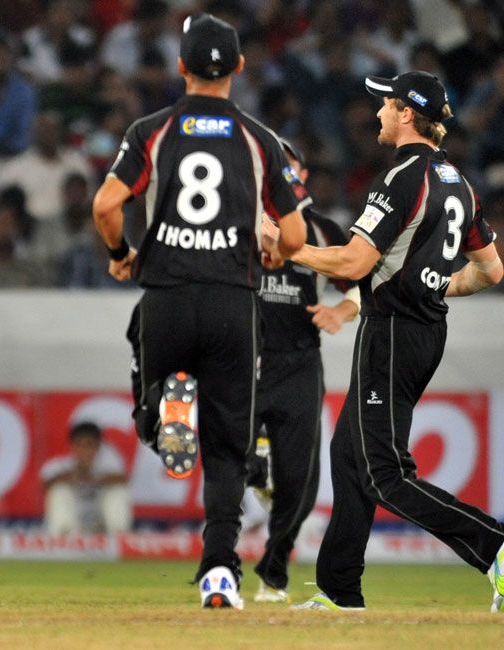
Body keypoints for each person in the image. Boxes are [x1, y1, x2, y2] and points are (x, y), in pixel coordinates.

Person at [274, 70, 504, 612]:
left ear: (408, 114)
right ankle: (341, 592)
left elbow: (353, 261)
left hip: (391, 334)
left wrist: (287, 248)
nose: (378, 114)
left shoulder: (403, 177)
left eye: (386, 105)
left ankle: (497, 544)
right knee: (349, 456)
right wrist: (434, 284)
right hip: (421, 331)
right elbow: (491, 269)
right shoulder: (456, 181)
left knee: (383, 474)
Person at [91, 14, 306, 610]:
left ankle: (160, 414)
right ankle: (219, 573)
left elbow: (107, 204)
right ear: (239, 67)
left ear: (181, 66)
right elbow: (294, 233)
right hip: (232, 302)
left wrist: (120, 253)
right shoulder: (261, 140)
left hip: (165, 297)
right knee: (228, 450)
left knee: (147, 380)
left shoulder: (151, 130)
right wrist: (273, 246)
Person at [248, 139, 360, 604]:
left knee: (301, 481)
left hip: (299, 364)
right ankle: (256, 478)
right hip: (244, 363)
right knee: (241, 462)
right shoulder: (236, 221)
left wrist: (342, 312)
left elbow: (367, 285)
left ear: (302, 176)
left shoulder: (320, 228)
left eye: (286, 167)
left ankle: (273, 574)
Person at [39, 422, 132, 535]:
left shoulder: (109, 463)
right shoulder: (59, 465)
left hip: (101, 524)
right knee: (58, 491)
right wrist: (74, 475)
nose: (84, 450)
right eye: (79, 445)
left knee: (118, 491)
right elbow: (45, 484)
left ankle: (119, 534)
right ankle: (64, 535)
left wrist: (93, 477)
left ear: (98, 446)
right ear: (72, 445)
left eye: (89, 445)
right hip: (74, 523)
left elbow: (123, 480)